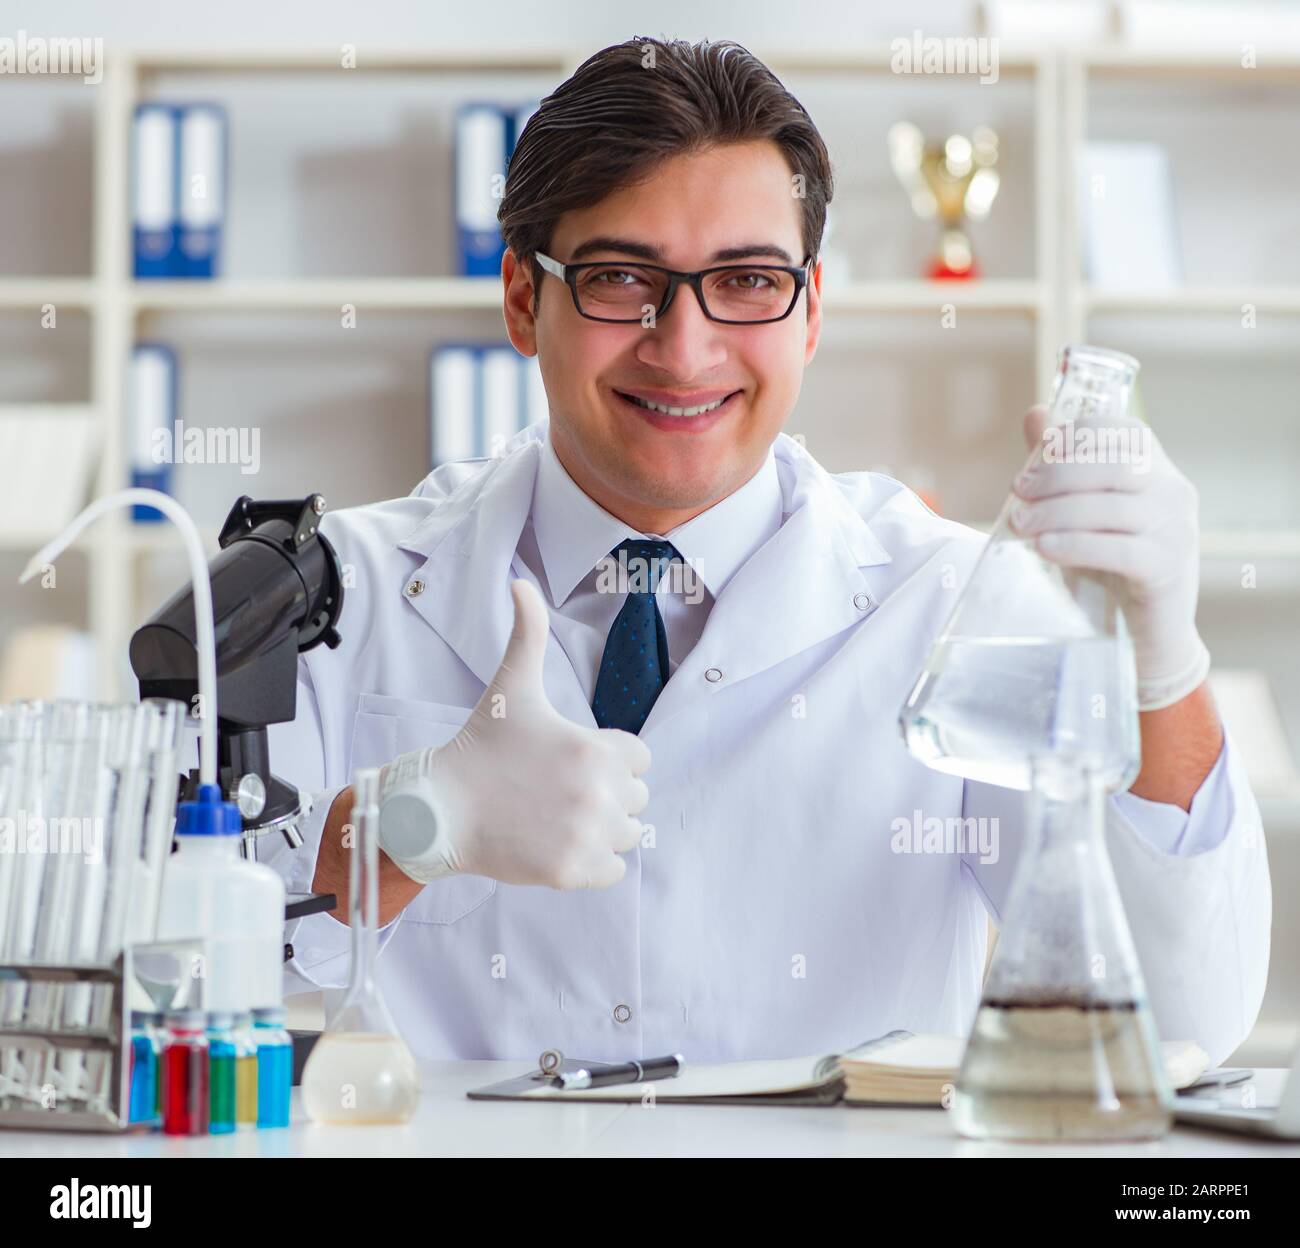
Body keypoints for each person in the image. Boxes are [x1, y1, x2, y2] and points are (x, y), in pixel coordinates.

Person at [265, 36, 1269, 1066]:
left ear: (811, 309)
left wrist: (1160, 661)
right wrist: (406, 829)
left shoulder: (952, 602)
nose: (684, 347)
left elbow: (1179, 1017)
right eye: (620, 278)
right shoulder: (336, 594)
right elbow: (162, 974)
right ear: (524, 299)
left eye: (745, 281)